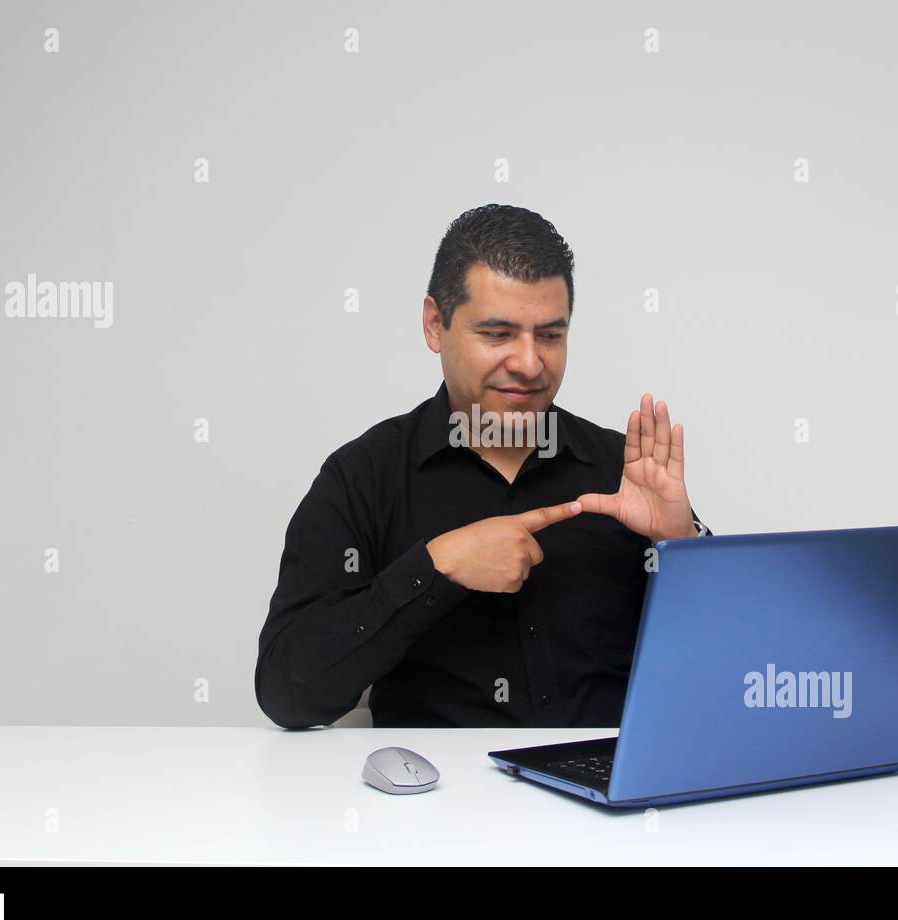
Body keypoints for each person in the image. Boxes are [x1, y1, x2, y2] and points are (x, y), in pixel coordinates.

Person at [254, 204, 711, 728]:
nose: (529, 363)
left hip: (612, 792)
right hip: (439, 801)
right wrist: (435, 568)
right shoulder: (363, 477)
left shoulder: (625, 470)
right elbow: (286, 692)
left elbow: (725, 677)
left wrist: (681, 544)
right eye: (497, 334)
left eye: (550, 335)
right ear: (434, 324)